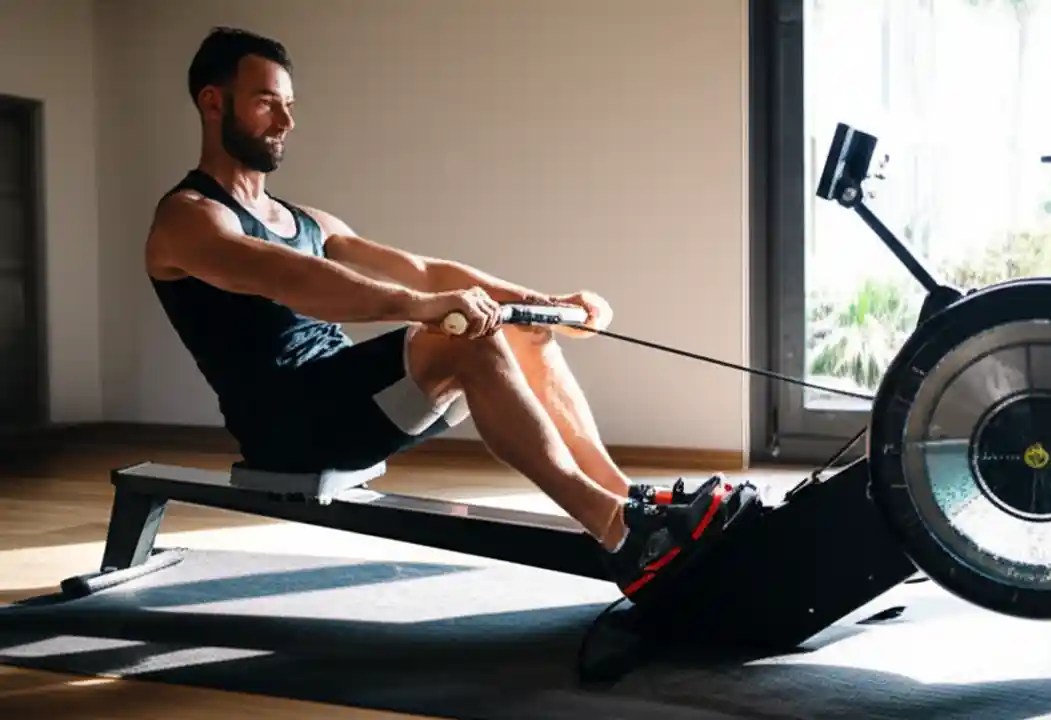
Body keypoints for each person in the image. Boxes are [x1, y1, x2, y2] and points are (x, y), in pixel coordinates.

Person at [142, 26, 757, 601]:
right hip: (285, 428)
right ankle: (621, 536)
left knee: (512, 328)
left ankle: (625, 499)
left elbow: (423, 270)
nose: (286, 120)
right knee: (467, 338)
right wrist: (429, 310)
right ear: (212, 102)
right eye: (266, 102)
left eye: (289, 104)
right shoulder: (190, 218)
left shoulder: (303, 219)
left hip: (345, 400)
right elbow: (300, 281)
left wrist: (545, 307)